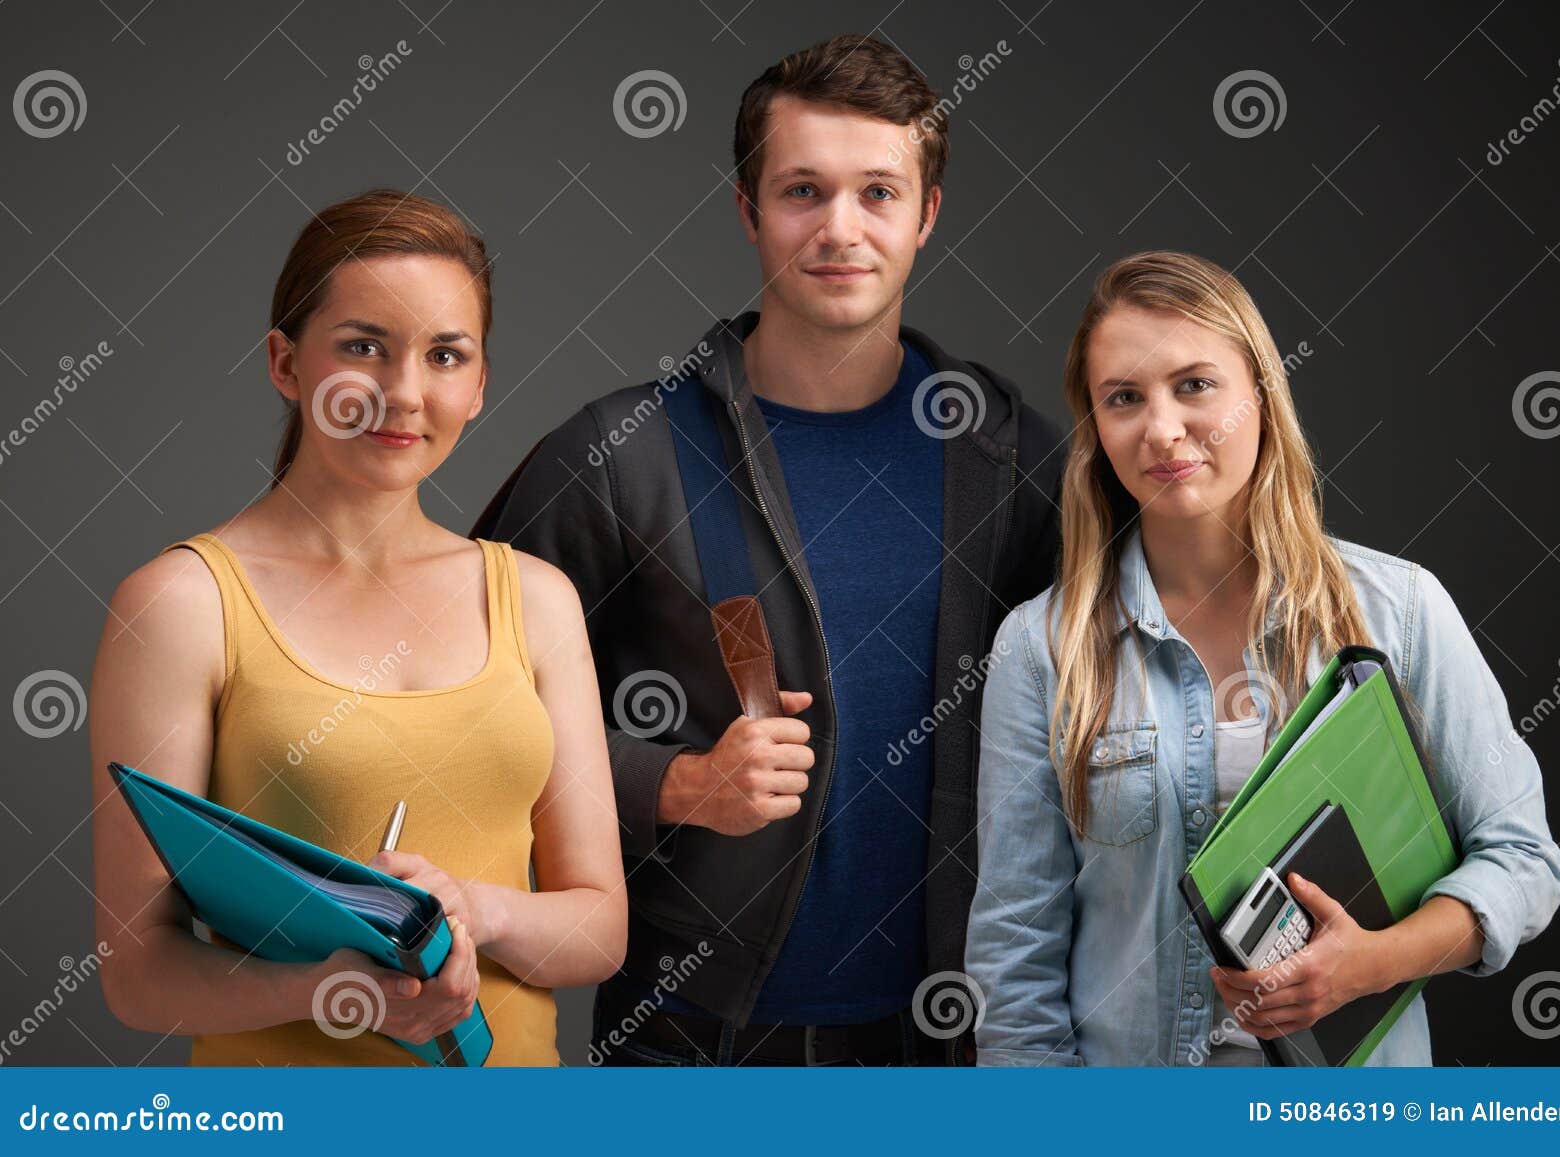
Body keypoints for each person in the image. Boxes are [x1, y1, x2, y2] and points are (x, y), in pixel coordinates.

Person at [474, 35, 1065, 1065]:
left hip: (959, 1040)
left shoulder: (1009, 457)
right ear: (748, 211)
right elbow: (461, 712)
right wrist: (672, 780)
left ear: (926, 214)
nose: (840, 229)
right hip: (690, 1037)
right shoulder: (624, 455)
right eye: (803, 190)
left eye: (878, 192)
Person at [964, 250, 1560, 1066]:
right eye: (1124, 399)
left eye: (1195, 384)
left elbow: (1523, 859)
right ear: (1096, 425)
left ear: (1261, 391)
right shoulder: (1042, 649)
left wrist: (1372, 964)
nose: (1163, 429)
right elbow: (1014, 959)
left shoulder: (1401, 610)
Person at [89, 189, 626, 1065]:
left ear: (481, 383)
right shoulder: (181, 604)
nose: (404, 392)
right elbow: (135, 970)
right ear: (285, 363)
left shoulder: (537, 598)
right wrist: (331, 992)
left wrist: (472, 910)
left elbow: (600, 926)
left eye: (445, 354)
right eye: (363, 347)